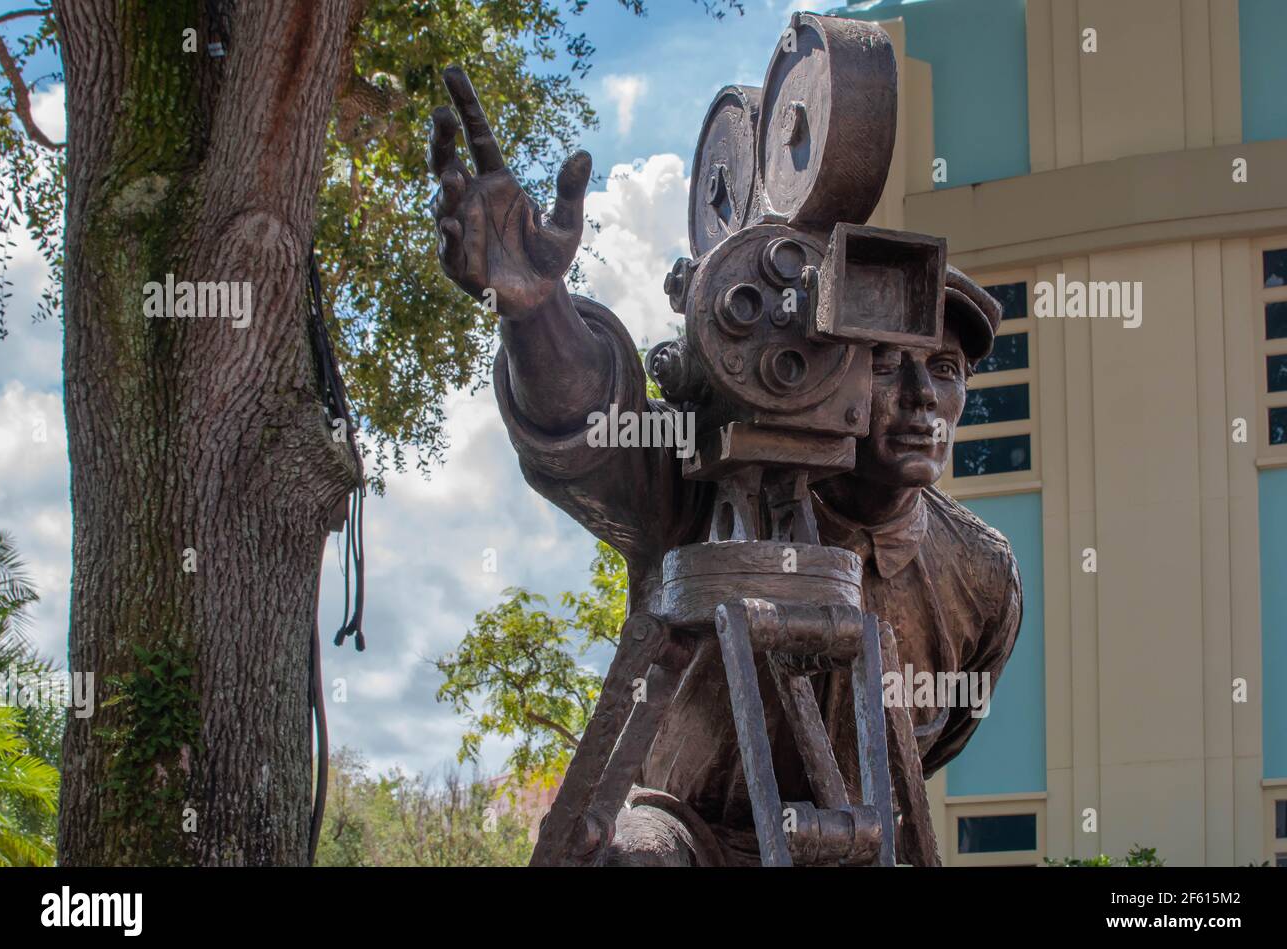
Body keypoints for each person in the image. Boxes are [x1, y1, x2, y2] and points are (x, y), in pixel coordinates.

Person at [429, 66, 1022, 866]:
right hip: (683, 837)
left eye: (945, 371)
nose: (920, 398)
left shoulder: (980, 575)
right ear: (827, 365)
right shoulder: (706, 482)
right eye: (886, 365)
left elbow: (933, 739)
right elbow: (588, 435)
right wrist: (536, 314)